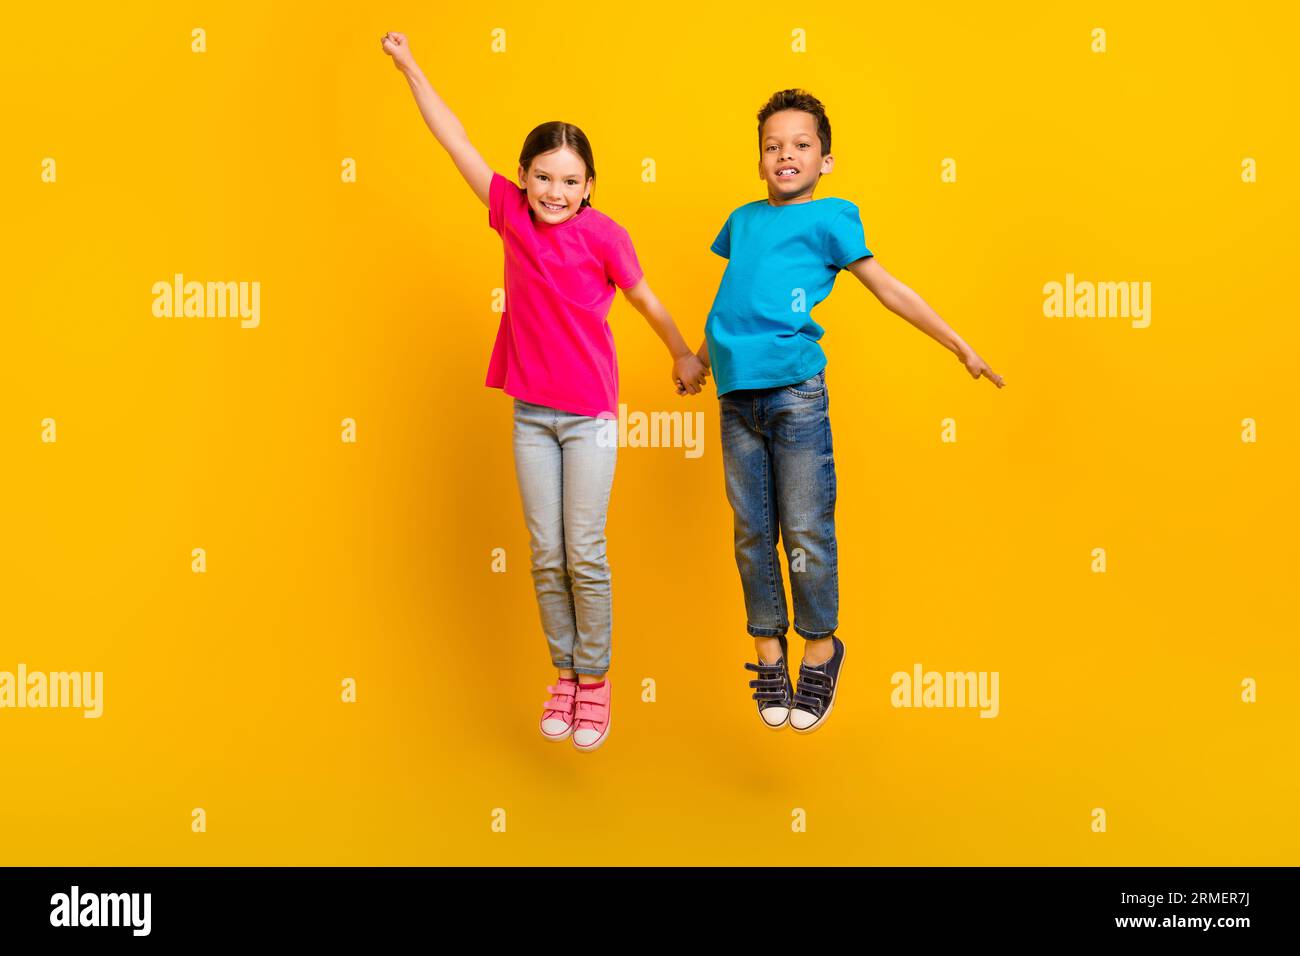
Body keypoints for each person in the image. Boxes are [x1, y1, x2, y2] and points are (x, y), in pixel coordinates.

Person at [382, 31, 708, 751]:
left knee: (583, 550)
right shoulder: (508, 215)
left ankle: (595, 680)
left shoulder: (605, 237)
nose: (556, 193)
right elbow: (454, 141)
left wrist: (683, 353)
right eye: (544, 178)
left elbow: (648, 303)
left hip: (589, 417)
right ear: (524, 177)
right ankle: (562, 673)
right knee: (544, 552)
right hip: (532, 416)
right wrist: (411, 68)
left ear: (589, 184)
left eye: (571, 181)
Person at [684, 88, 1006, 733]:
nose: (786, 155)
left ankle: (821, 649)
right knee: (752, 533)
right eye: (773, 146)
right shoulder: (742, 220)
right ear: (758, 161)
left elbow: (889, 290)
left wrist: (958, 345)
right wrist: (697, 357)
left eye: (801, 145)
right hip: (734, 396)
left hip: (794, 396)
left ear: (825, 159)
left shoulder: (832, 216)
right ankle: (767, 648)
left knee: (804, 530)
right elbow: (732, 300)